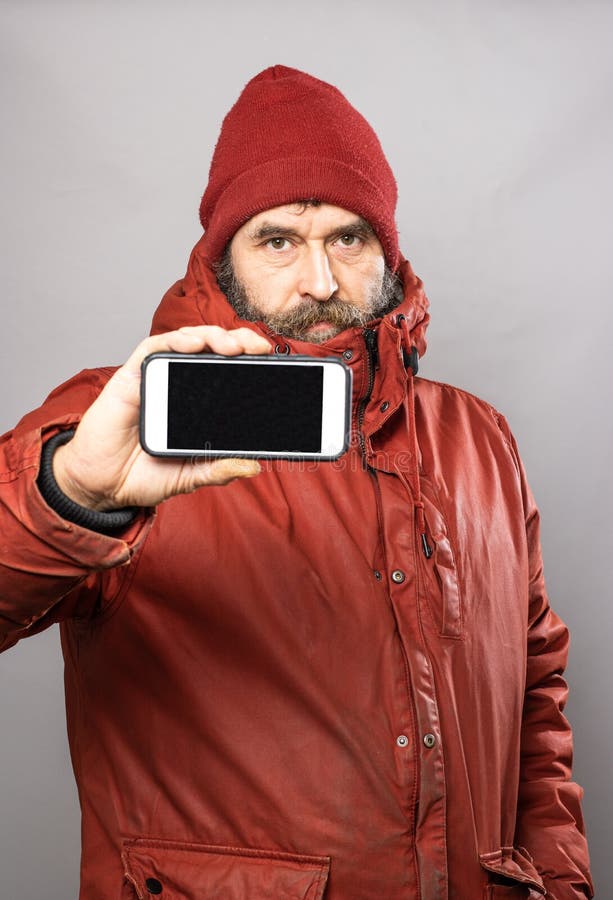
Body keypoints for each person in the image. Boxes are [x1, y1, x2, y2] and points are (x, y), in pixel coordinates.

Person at [0, 65, 593, 900]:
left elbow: (535, 691)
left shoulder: (476, 437)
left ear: (385, 249)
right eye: (277, 239)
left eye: (347, 238)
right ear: (224, 257)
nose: (319, 281)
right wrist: (70, 496)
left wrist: (557, 884)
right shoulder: (117, 421)